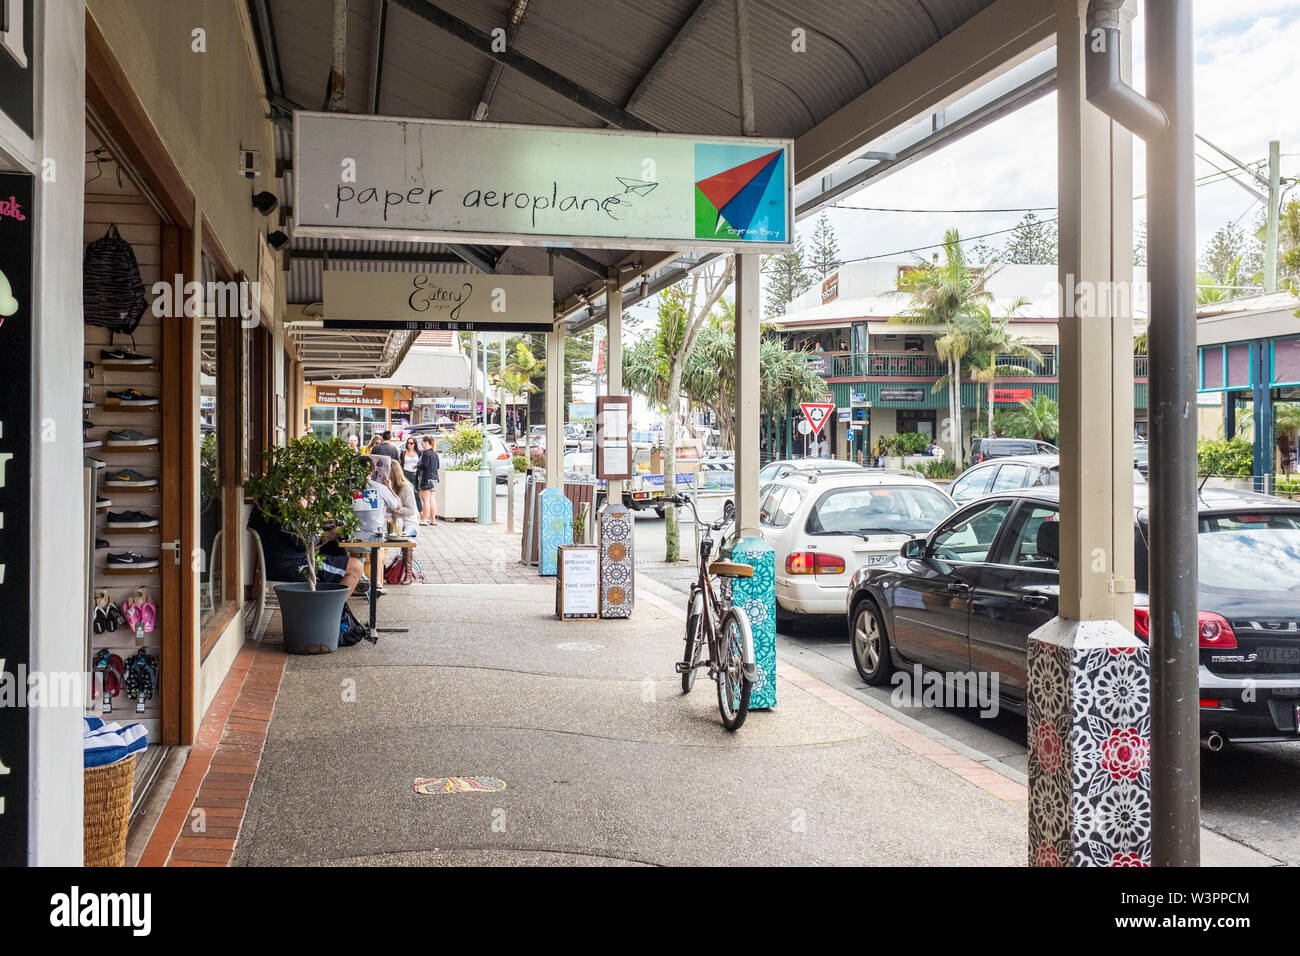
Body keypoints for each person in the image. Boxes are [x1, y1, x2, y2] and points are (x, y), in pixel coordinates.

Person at [247, 505, 364, 598]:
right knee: (355, 567)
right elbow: (304, 542)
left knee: (335, 553)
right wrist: (325, 536)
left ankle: (327, 609)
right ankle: (333, 615)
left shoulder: (264, 503)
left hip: (277, 562)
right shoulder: (281, 507)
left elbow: (297, 539)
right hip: (291, 567)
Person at [353, 455, 402, 536]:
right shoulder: (381, 489)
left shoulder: (348, 489)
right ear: (373, 470)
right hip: (376, 535)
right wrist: (389, 488)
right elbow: (398, 506)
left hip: (353, 535)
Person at [387, 464, 420, 537]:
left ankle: (408, 547)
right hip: (397, 523)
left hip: (408, 523)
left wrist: (395, 508)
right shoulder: (390, 487)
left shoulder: (405, 488)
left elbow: (412, 510)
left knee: (404, 537)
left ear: (392, 474)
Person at [415, 435, 440, 525]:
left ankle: (424, 519)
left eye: (422, 442)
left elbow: (424, 465)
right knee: (432, 499)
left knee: (425, 500)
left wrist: (417, 466)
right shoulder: (435, 453)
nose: (421, 444)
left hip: (426, 478)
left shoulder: (425, 453)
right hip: (435, 478)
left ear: (426, 443)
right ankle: (433, 520)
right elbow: (438, 466)